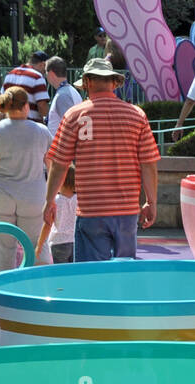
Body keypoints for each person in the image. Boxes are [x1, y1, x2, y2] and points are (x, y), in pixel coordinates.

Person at [43, 58, 160, 262]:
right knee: (124, 273)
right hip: (127, 211)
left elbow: (60, 164)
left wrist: (50, 200)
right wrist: (151, 201)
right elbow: (149, 164)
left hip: (91, 210)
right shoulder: (137, 115)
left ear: (87, 82)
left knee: (91, 277)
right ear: (114, 83)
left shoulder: (74, 115)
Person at [0, 86, 52, 272]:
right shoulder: (42, 131)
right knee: (37, 245)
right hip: (33, 197)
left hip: (0, 194)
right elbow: (52, 164)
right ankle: (40, 289)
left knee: (2, 248)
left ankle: (3, 292)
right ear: (26, 106)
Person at [1, 51, 50, 121]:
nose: (45, 72)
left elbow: (2, 101)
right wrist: (47, 121)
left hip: (9, 123)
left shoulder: (10, 74)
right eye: (45, 70)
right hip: (30, 124)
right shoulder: (37, 77)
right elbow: (42, 105)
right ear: (42, 64)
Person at [45, 57, 82, 138]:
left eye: (46, 72)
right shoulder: (69, 91)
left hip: (60, 147)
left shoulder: (63, 95)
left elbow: (70, 126)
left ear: (51, 73)